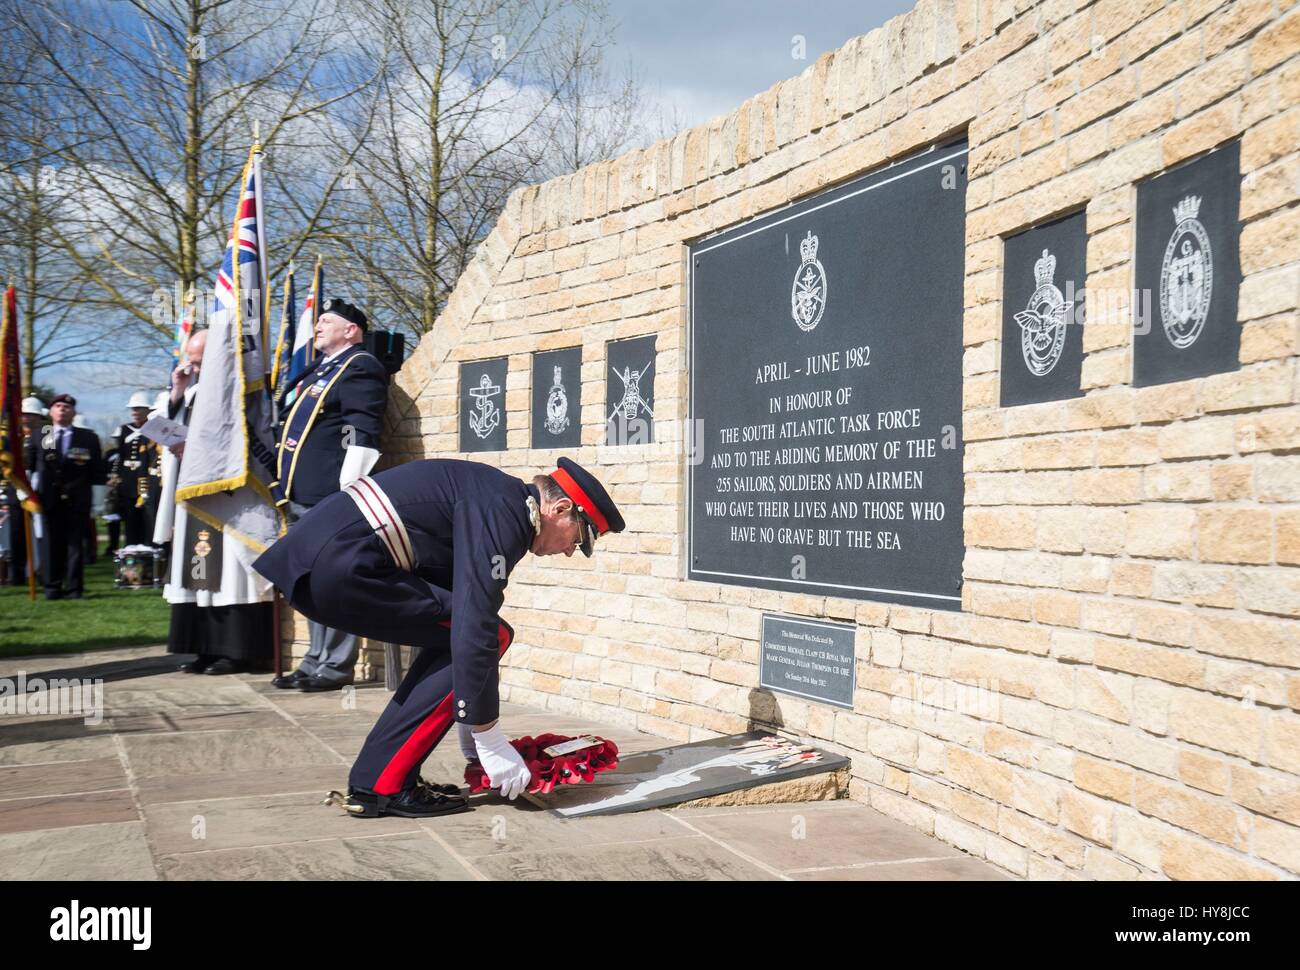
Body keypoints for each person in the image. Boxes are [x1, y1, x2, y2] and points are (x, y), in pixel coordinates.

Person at [252, 456, 625, 818]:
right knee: (489, 634)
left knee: (464, 635)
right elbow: (474, 621)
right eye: (579, 539)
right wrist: (487, 736)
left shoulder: (497, 497)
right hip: (339, 566)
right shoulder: (504, 512)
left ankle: (381, 778)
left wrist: (470, 721)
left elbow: (458, 608)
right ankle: (382, 784)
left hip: (328, 562)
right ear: (560, 509)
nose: (570, 552)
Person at [270, 297, 388, 693]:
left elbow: (362, 432)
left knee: (334, 581)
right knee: (311, 583)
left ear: (350, 330)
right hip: (301, 494)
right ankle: (314, 660)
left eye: (325, 321)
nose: (316, 326)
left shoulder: (361, 367)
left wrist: (348, 493)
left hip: (329, 496)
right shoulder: (321, 370)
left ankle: (336, 667)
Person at [155, 328, 274, 675]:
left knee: (229, 577)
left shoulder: (237, 390)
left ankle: (236, 651)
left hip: (229, 495)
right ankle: (203, 647)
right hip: (195, 493)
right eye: (189, 363)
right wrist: (177, 391)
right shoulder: (194, 393)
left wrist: (196, 450)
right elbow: (174, 426)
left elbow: (242, 439)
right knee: (200, 573)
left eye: (198, 362)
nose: (193, 369)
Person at [37, 394, 104, 599]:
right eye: (58, 406)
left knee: (75, 545)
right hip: (49, 499)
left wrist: (98, 502)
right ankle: (52, 587)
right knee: (51, 544)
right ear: (50, 412)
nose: (62, 409)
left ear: (74, 412)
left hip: (78, 498)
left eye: (67, 407)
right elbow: (31, 467)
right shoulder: (43, 434)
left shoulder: (87, 436)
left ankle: (75, 589)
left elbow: (97, 471)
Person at [111, 391, 163, 546]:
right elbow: (119, 456)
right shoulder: (124, 430)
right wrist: (115, 477)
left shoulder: (155, 429)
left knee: (148, 520)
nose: (135, 412)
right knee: (130, 521)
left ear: (149, 410)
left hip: (148, 479)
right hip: (127, 481)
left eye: (139, 408)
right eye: (133, 409)